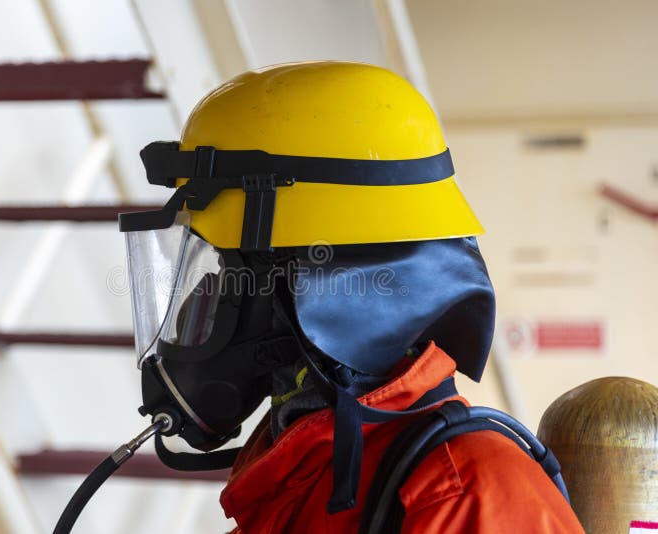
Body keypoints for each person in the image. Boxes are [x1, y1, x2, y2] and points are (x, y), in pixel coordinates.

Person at [118, 61, 584, 533]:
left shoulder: (467, 493)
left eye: (229, 270)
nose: (208, 299)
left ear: (325, 274)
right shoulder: (296, 474)